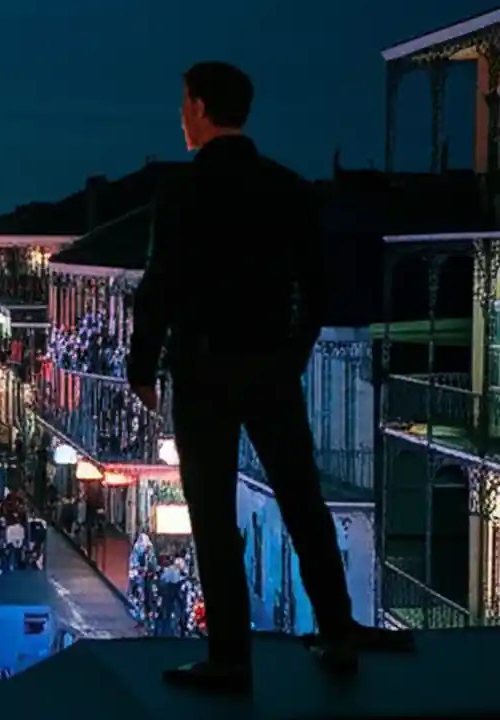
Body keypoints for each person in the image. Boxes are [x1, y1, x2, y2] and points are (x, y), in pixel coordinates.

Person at [127, 60, 413, 693]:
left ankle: (229, 655)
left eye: (183, 104)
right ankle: (338, 629)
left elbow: (160, 286)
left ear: (200, 109)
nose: (180, 116)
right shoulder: (286, 188)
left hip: (202, 371)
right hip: (270, 364)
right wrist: (293, 354)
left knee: (212, 511)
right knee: (301, 497)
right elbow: (316, 287)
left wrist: (141, 365)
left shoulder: (182, 192)